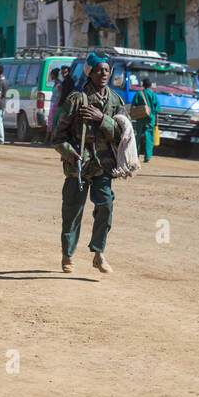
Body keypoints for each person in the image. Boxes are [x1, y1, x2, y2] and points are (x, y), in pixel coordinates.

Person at [50, 52, 123, 275]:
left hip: (103, 166)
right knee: (72, 211)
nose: (103, 73)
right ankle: (67, 255)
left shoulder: (115, 101)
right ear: (89, 73)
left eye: (107, 70)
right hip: (78, 168)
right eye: (99, 70)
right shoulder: (76, 99)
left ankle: (99, 253)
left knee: (105, 207)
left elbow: (124, 134)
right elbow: (58, 136)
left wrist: (102, 119)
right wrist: (70, 154)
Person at [131, 76, 158, 162]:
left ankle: (136, 155)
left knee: (138, 136)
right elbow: (156, 110)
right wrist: (157, 122)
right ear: (150, 85)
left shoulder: (139, 93)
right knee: (149, 138)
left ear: (143, 85)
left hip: (140, 118)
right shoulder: (153, 95)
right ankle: (147, 157)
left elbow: (133, 106)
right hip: (150, 119)